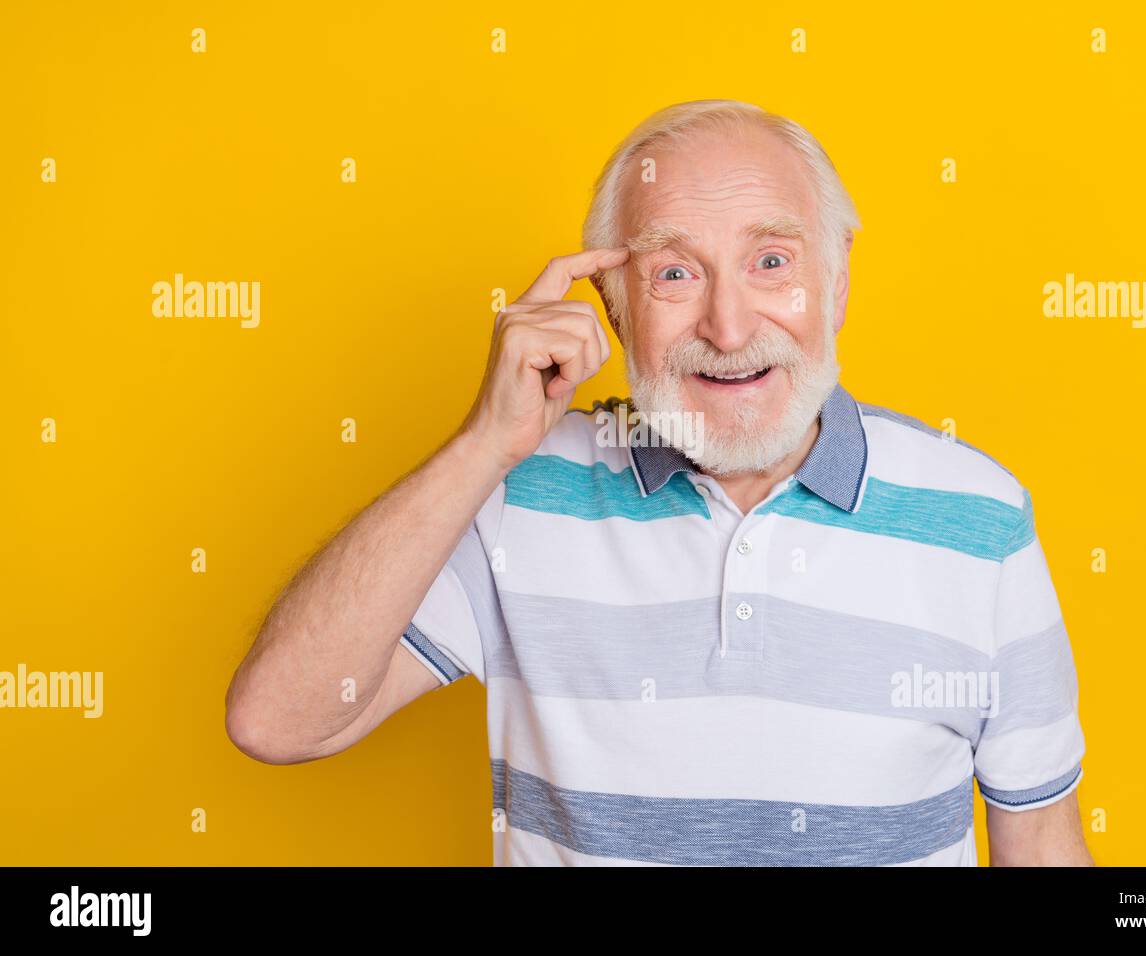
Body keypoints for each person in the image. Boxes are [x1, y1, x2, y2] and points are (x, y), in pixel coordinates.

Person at [225, 99, 1092, 866]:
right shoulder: (518, 493)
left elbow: (1044, 848)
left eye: (772, 262)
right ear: (613, 306)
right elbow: (279, 723)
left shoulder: (982, 520)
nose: (726, 325)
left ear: (836, 283)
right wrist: (482, 447)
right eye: (674, 273)